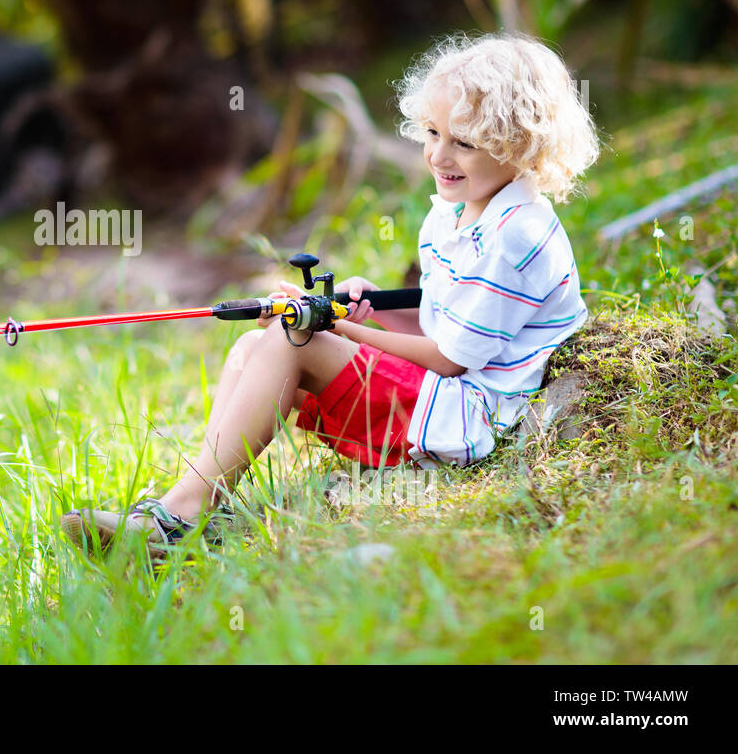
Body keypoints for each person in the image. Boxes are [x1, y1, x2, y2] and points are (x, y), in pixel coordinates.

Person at [62, 32, 601, 557]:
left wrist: (337, 329)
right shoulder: (454, 214)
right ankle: (206, 504)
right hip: (446, 394)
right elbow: (444, 328)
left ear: (520, 148)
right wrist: (370, 316)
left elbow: (453, 360)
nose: (439, 156)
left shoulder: (517, 234)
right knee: (253, 348)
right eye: (433, 133)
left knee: (293, 341)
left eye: (464, 142)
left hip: (473, 419)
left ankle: (178, 517)